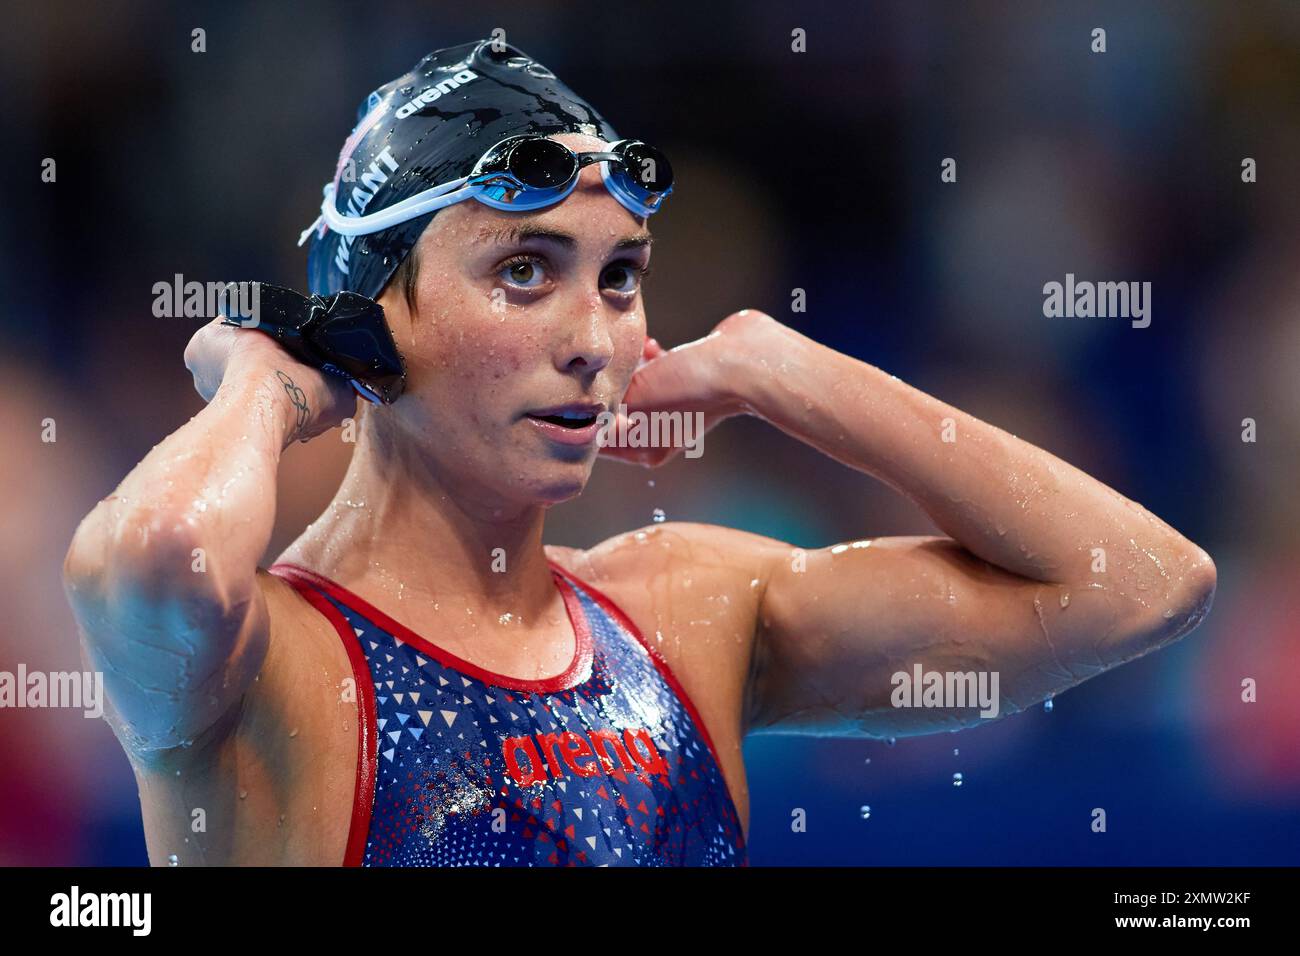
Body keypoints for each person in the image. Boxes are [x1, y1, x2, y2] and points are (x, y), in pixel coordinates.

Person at [62, 38, 1216, 867]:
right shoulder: (268, 662)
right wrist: (263, 384)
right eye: (525, 270)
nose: (591, 338)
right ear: (371, 316)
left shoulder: (686, 612)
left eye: (618, 278)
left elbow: (1142, 583)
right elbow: (157, 554)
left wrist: (783, 370)